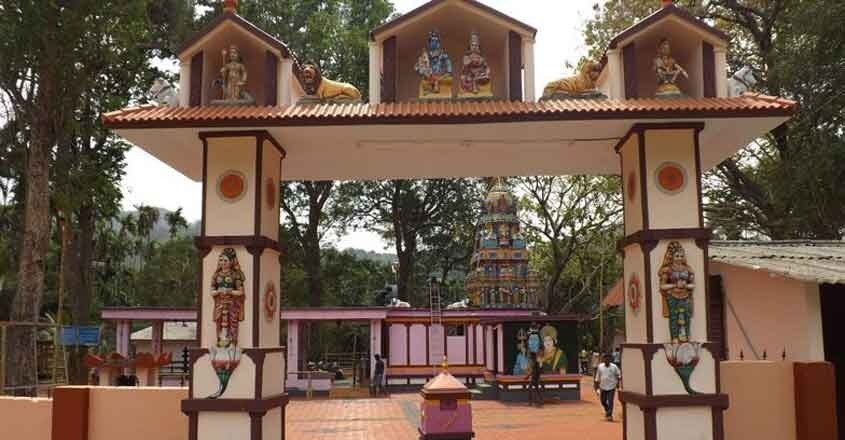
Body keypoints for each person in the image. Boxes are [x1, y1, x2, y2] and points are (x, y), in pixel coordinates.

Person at [594, 354, 622, 421]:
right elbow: (597, 377)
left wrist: (618, 383)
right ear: (603, 359)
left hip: (611, 386)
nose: (607, 360)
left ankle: (609, 415)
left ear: (610, 360)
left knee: (610, 401)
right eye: (605, 359)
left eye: (608, 359)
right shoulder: (600, 367)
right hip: (603, 386)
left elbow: (619, 375)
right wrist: (596, 388)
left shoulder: (614, 367)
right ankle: (607, 410)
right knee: (603, 401)